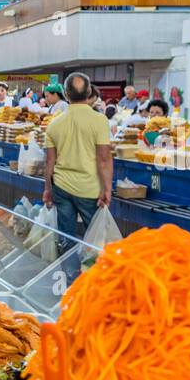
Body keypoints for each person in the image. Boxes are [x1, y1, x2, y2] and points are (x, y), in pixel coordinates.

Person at [43, 72, 112, 254]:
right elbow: (104, 159)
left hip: (62, 187)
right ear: (89, 91)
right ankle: (95, 276)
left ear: (66, 94)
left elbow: (50, 161)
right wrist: (107, 189)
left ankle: (69, 275)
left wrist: (48, 190)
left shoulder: (54, 124)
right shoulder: (100, 121)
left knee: (66, 237)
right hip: (90, 189)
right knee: (96, 240)